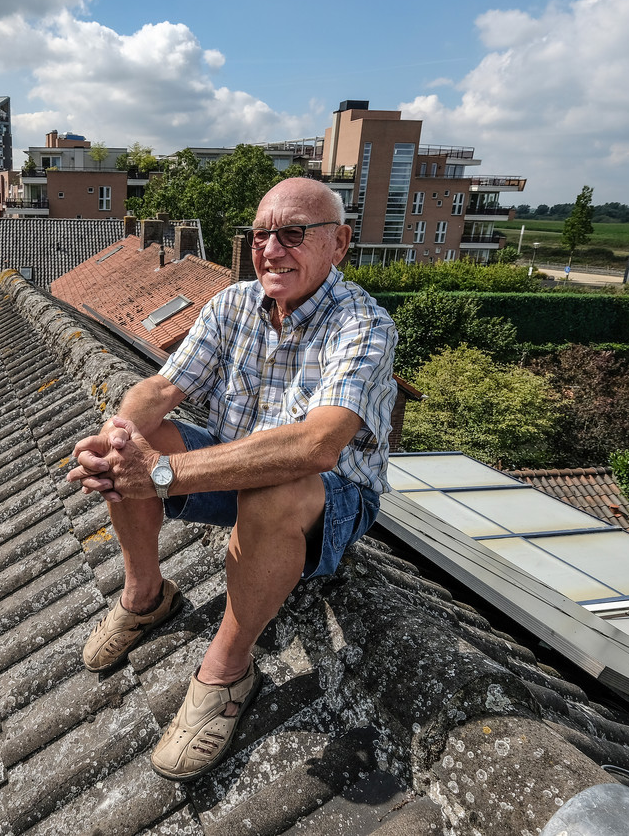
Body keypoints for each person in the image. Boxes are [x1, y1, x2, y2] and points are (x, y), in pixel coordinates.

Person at [67, 177, 397, 781]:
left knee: (275, 485)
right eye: (261, 235)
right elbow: (161, 387)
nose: (271, 249)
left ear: (339, 244)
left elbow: (317, 445)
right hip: (235, 469)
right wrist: (116, 435)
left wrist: (163, 473)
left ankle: (227, 672)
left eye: (292, 233)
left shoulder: (363, 325)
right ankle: (146, 597)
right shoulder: (233, 303)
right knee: (134, 444)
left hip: (326, 496)